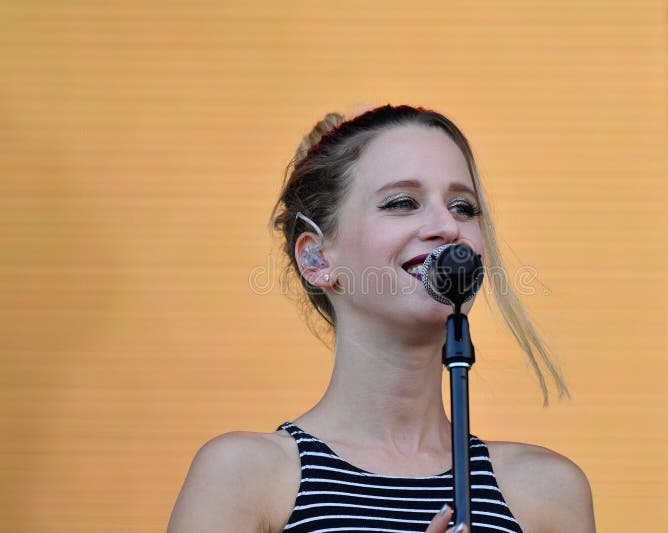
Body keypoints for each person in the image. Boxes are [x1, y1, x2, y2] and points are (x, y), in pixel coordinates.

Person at [167, 105, 596, 533]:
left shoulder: (547, 491)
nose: (448, 226)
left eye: (463, 207)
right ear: (317, 258)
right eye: (402, 202)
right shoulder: (244, 477)